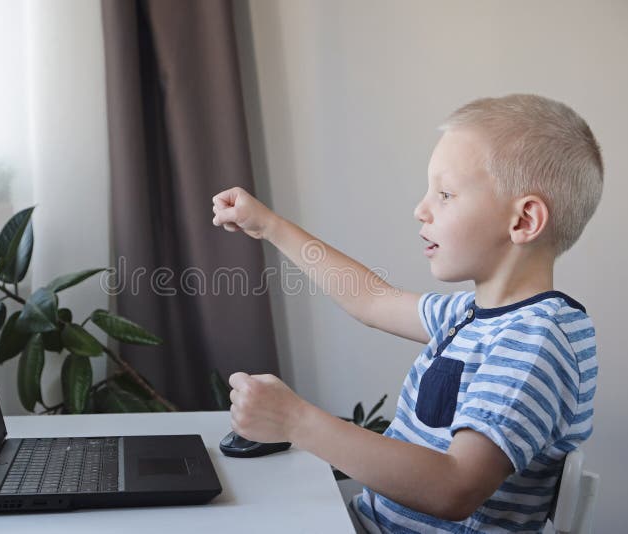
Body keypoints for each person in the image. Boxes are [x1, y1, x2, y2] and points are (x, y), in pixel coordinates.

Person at [210, 94, 602, 532]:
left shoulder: (535, 341)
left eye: (445, 194)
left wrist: (295, 421)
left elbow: (455, 487)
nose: (421, 209)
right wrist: (268, 225)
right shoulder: (474, 316)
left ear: (524, 221)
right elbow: (372, 300)